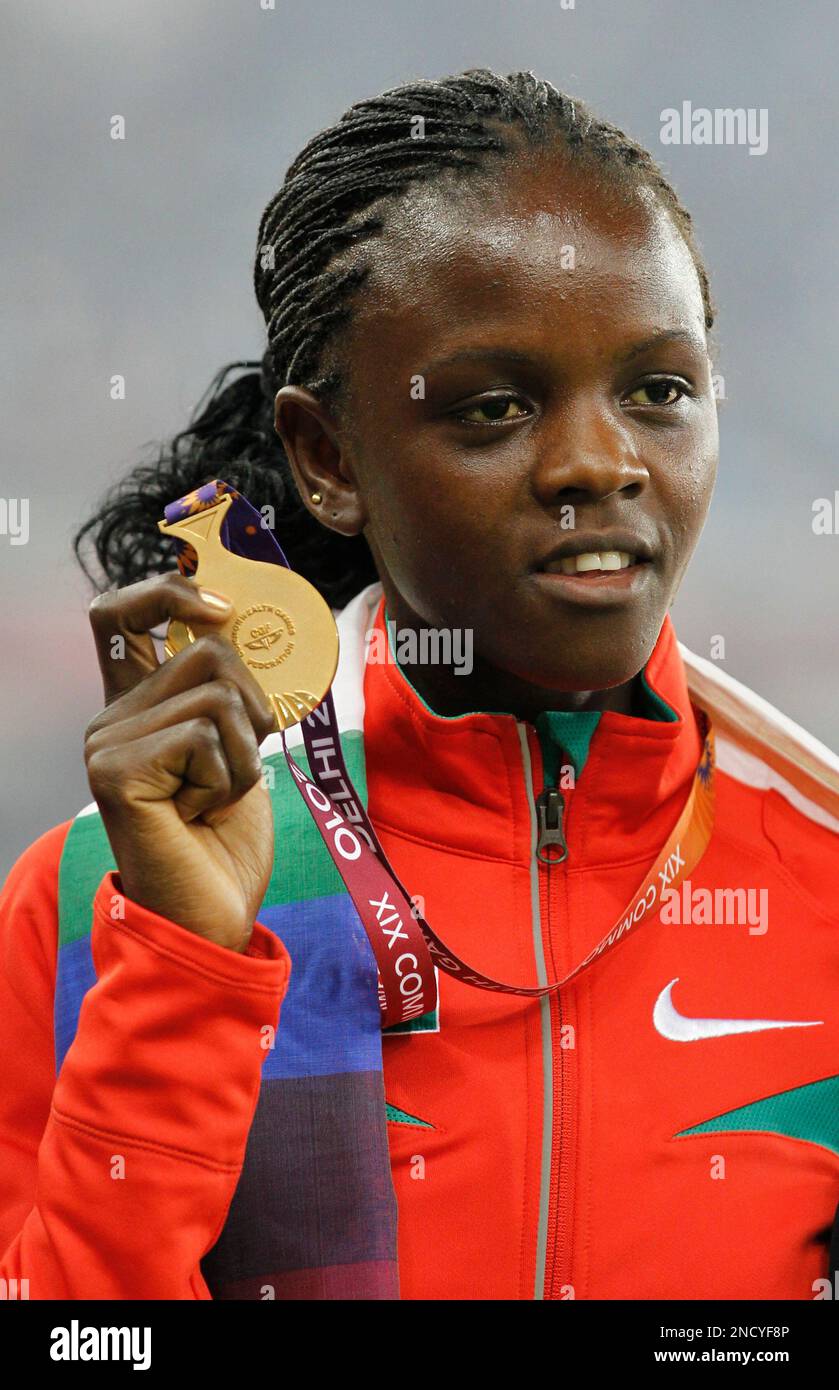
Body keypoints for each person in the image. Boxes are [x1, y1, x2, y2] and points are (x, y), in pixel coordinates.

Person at [1, 68, 837, 1303]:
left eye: (657, 390)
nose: (600, 463)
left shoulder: (820, 880)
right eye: (496, 407)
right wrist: (187, 967)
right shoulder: (97, 897)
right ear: (329, 459)